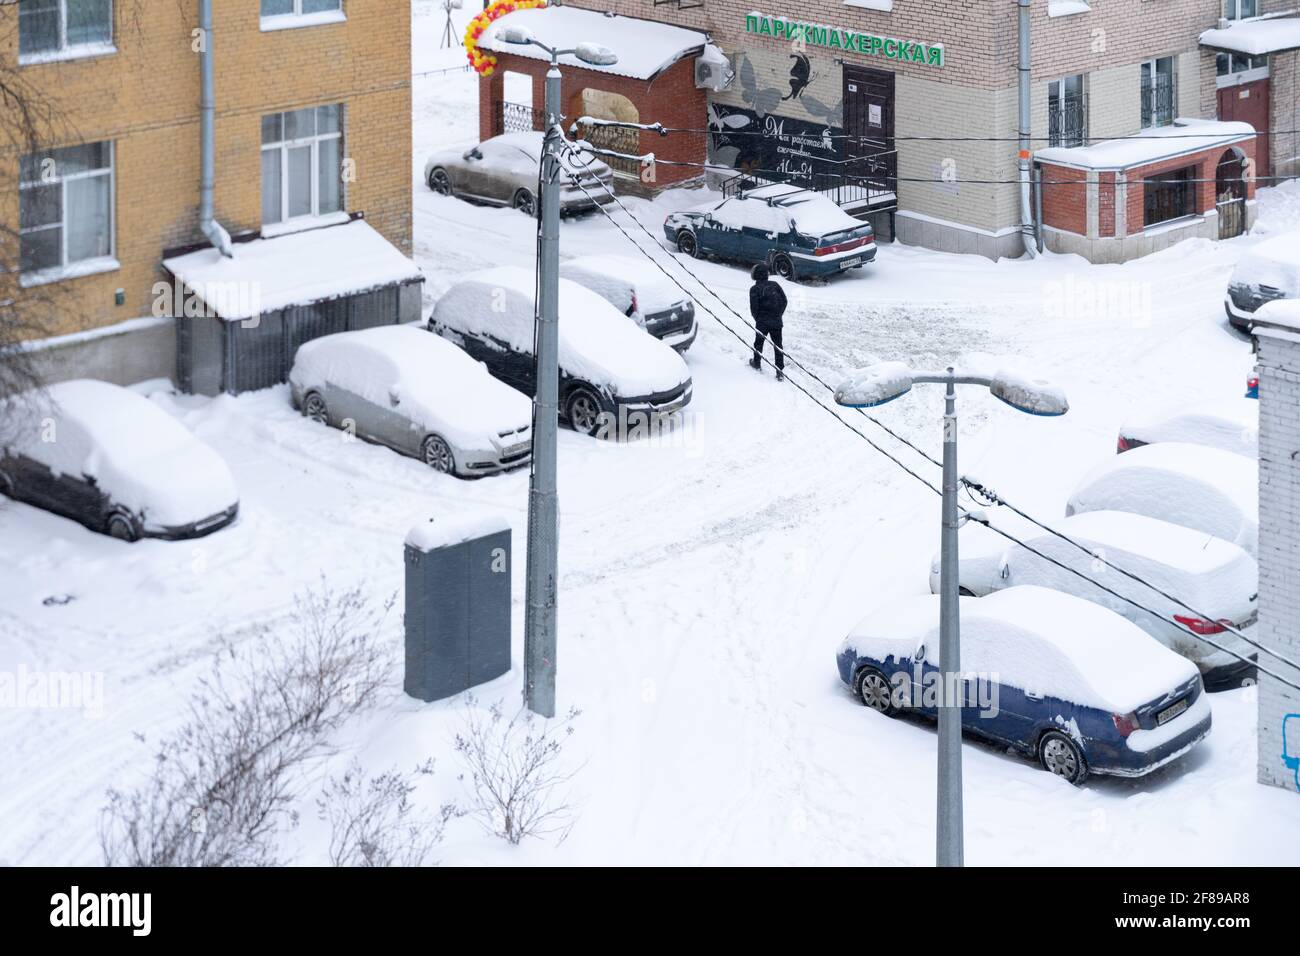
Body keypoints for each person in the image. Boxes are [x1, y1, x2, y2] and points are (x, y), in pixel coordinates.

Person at [748, 263, 787, 381]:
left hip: (762, 322)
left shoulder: (754, 289)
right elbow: (784, 301)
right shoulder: (775, 285)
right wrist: (778, 314)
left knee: (758, 343)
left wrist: (759, 319)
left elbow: (754, 308)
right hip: (776, 321)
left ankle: (757, 362)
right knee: (778, 346)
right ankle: (779, 371)